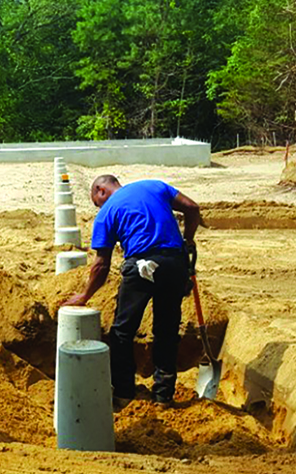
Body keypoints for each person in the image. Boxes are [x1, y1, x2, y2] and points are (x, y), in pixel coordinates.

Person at [63, 174, 200, 406]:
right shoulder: (154, 186)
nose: (99, 207)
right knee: (166, 331)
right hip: (175, 264)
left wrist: (85, 295)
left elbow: (101, 264)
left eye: (97, 202)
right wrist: (188, 241)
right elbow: (193, 209)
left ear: (101, 190)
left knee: (122, 332)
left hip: (141, 266)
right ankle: (163, 396)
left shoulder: (107, 213)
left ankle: (124, 393)